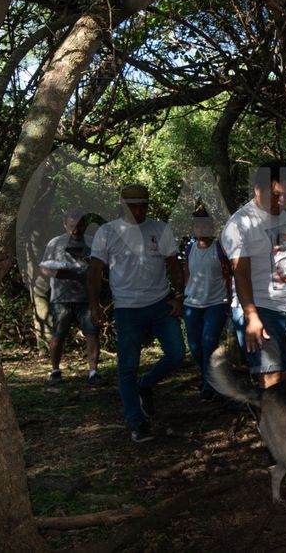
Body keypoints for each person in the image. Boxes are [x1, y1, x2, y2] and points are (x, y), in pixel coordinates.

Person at [87, 183, 187, 443]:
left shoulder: (160, 229)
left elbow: (173, 264)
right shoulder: (107, 233)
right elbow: (95, 271)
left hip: (160, 304)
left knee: (177, 353)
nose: (139, 211)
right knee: (127, 367)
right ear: (123, 205)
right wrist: (94, 304)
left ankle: (146, 385)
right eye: (133, 207)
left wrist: (179, 296)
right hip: (127, 308)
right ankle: (135, 420)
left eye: (144, 206)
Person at [221, 160, 286, 388]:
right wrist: (252, 318)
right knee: (273, 379)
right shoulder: (239, 224)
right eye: (277, 195)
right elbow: (241, 274)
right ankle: (270, 419)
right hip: (259, 307)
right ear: (259, 188)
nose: (282, 201)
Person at [39, 209, 101, 385]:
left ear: (84, 224)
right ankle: (55, 371)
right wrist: (59, 270)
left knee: (91, 333)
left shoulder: (92, 242)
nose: (75, 229)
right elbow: (43, 268)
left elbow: (101, 267)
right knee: (58, 335)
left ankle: (93, 372)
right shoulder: (55, 243)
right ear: (65, 224)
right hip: (61, 297)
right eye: (71, 225)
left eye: (79, 224)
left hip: (86, 296)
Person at [182, 205, 231, 400]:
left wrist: (230, 301)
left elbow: (228, 274)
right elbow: (187, 274)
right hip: (192, 304)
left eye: (204, 225)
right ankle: (209, 378)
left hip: (216, 302)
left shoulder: (219, 248)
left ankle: (209, 386)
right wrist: (182, 295)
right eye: (196, 225)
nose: (200, 229)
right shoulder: (189, 249)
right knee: (194, 345)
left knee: (208, 342)